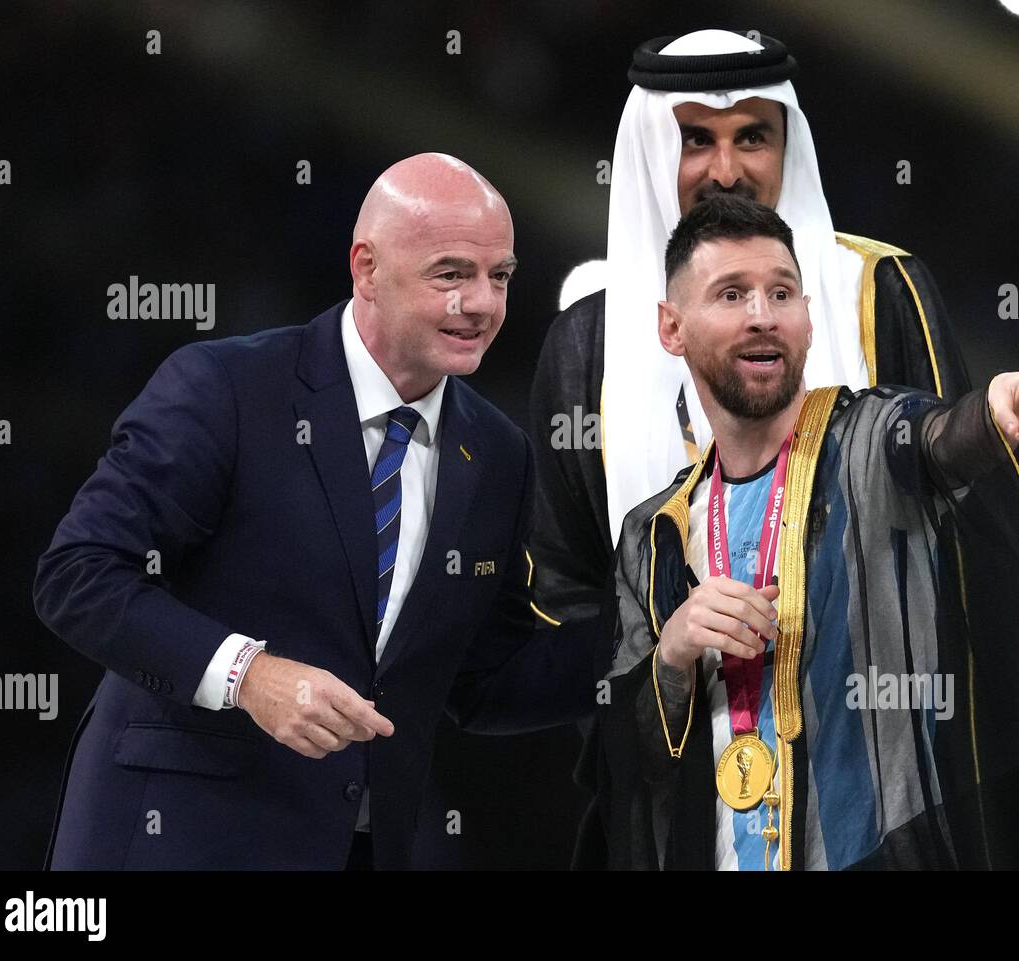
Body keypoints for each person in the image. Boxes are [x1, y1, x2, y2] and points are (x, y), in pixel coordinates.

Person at [33, 153, 608, 871]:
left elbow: (488, 680)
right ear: (365, 268)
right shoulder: (227, 389)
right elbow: (78, 574)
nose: (484, 304)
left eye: (500, 276)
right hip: (173, 840)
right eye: (452, 274)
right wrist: (249, 674)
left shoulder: (497, 454)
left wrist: (656, 638)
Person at [591, 194, 1019, 870]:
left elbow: (936, 441)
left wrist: (997, 415)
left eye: (781, 292)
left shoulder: (872, 440)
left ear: (809, 319)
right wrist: (672, 655)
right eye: (732, 294)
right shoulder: (654, 535)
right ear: (672, 327)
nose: (763, 315)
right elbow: (620, 760)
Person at [529, 29, 970, 630]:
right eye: (696, 141)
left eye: (752, 137)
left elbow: (957, 512)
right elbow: (565, 588)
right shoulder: (587, 343)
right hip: (673, 715)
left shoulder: (881, 289)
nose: (727, 171)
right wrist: (660, 665)